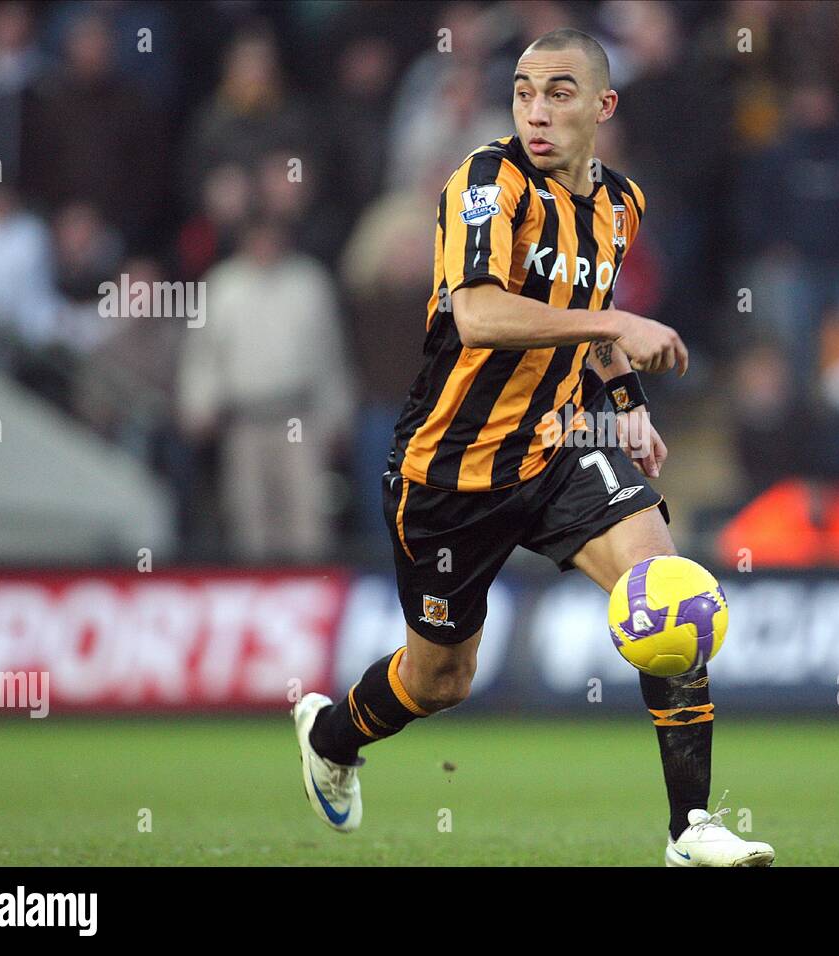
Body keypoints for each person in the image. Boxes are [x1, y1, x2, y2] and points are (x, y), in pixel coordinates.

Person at [292, 28, 773, 867]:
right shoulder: (484, 182)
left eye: (558, 92)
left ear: (602, 107)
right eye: (523, 91)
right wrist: (617, 323)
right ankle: (332, 735)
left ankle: (690, 829)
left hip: (553, 450)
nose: (536, 111)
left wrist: (625, 400)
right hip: (449, 471)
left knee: (667, 590)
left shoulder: (621, 205)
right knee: (440, 679)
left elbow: (584, 317)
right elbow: (478, 316)